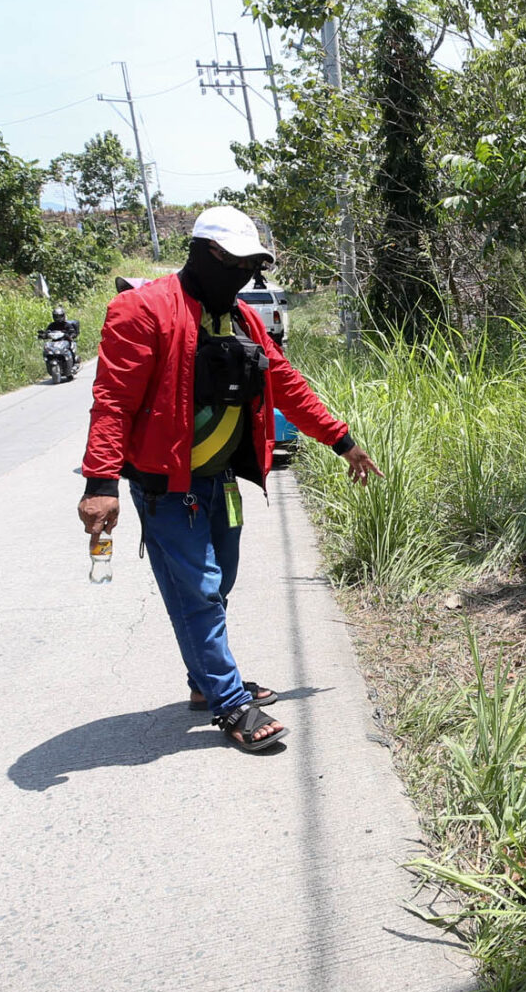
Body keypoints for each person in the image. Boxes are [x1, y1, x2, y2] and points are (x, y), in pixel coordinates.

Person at [76, 207, 383, 754]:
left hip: (220, 483)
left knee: (220, 585)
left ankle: (204, 680)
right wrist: (101, 481)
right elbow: (112, 401)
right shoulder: (143, 310)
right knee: (199, 591)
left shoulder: (243, 318)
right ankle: (229, 701)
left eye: (250, 268)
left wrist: (342, 441)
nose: (242, 278)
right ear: (205, 255)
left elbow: (286, 384)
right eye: (235, 265)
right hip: (167, 487)